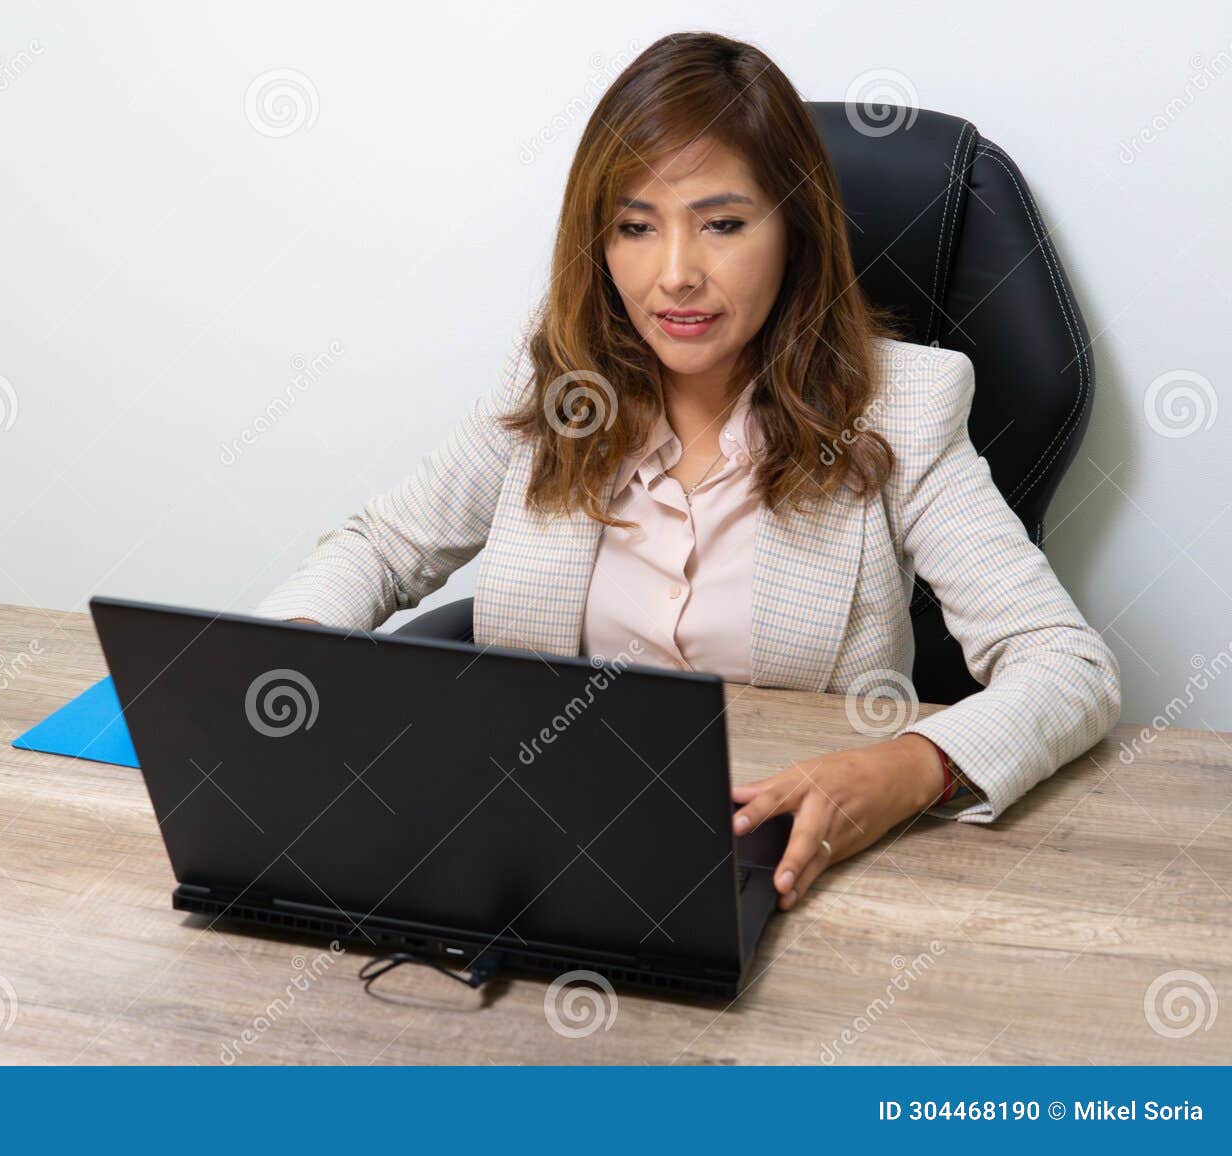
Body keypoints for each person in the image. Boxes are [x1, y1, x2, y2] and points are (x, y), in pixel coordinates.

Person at [254, 31, 1120, 913]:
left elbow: (1068, 665)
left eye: (723, 225)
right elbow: (380, 547)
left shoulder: (898, 408)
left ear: (795, 231)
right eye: (635, 228)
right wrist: (291, 658)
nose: (675, 276)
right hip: (537, 848)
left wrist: (902, 769)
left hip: (784, 862)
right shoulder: (558, 388)